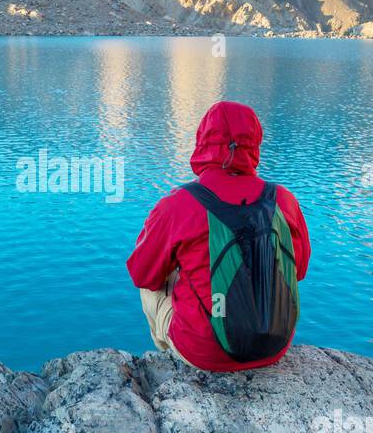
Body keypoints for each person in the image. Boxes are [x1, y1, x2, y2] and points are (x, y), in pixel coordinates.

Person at [127, 101, 310, 371]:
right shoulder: (284, 199)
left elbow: (142, 274)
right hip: (275, 347)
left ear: (202, 140)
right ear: (255, 143)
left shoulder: (178, 204)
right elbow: (299, 270)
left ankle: (173, 356)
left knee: (154, 275)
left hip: (203, 353)